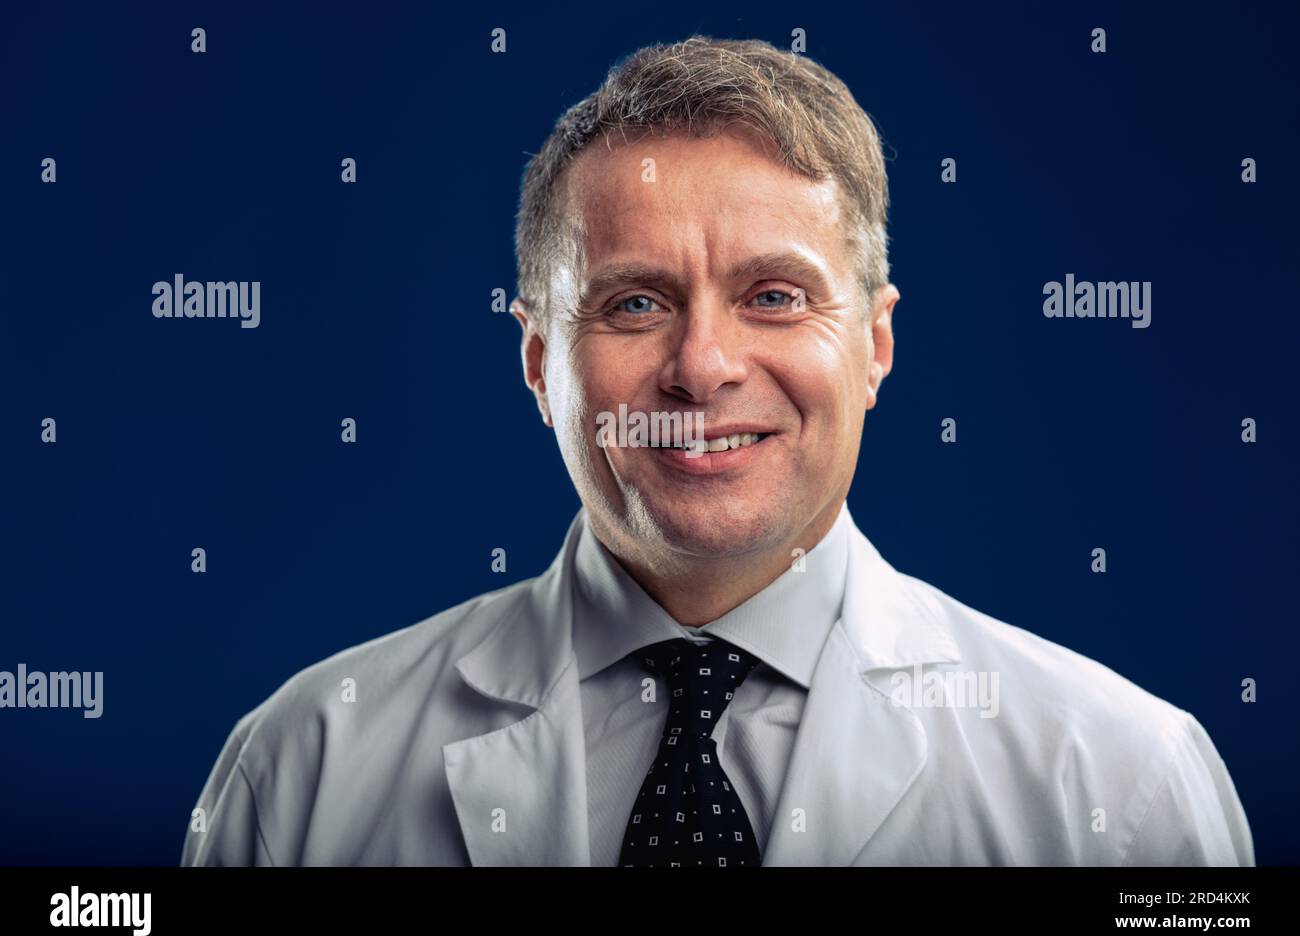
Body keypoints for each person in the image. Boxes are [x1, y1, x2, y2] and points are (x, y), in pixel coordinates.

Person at [182, 36, 1253, 867]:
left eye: (774, 297)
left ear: (873, 346)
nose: (703, 365)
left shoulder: (1120, 777)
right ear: (538, 360)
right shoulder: (304, 769)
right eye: (636, 301)